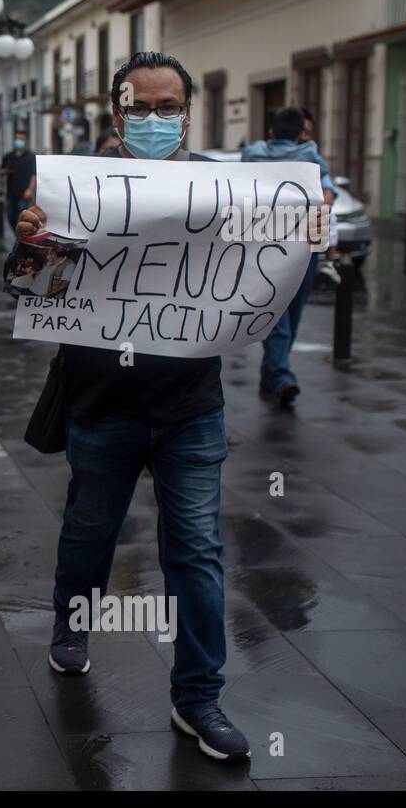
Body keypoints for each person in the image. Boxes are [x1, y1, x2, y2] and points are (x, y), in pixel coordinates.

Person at [13, 52, 250, 763]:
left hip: (189, 407)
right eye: (138, 107)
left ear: (188, 112)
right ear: (115, 114)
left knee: (198, 552)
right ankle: (71, 622)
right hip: (101, 402)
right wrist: (32, 249)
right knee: (91, 531)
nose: (154, 119)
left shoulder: (225, 189)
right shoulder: (70, 188)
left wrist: (305, 227)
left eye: (167, 106)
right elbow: (33, 293)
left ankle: (198, 697)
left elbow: (269, 265)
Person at [241, 105, 337, 406]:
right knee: (288, 313)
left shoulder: (253, 153)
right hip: (302, 245)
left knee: (282, 313)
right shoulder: (309, 155)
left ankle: (273, 373)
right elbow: (328, 194)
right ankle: (281, 375)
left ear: (271, 131)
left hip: (261, 244)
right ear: (300, 134)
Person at [0, 128, 35, 239]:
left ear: (25, 140)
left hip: (24, 194)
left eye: (21, 139)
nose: (18, 141)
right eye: (16, 139)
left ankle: (21, 239)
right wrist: (5, 171)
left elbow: (34, 175)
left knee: (21, 218)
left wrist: (30, 189)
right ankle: (18, 237)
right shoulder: (8, 156)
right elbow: (1, 170)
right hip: (11, 193)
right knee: (10, 217)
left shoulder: (30, 157)